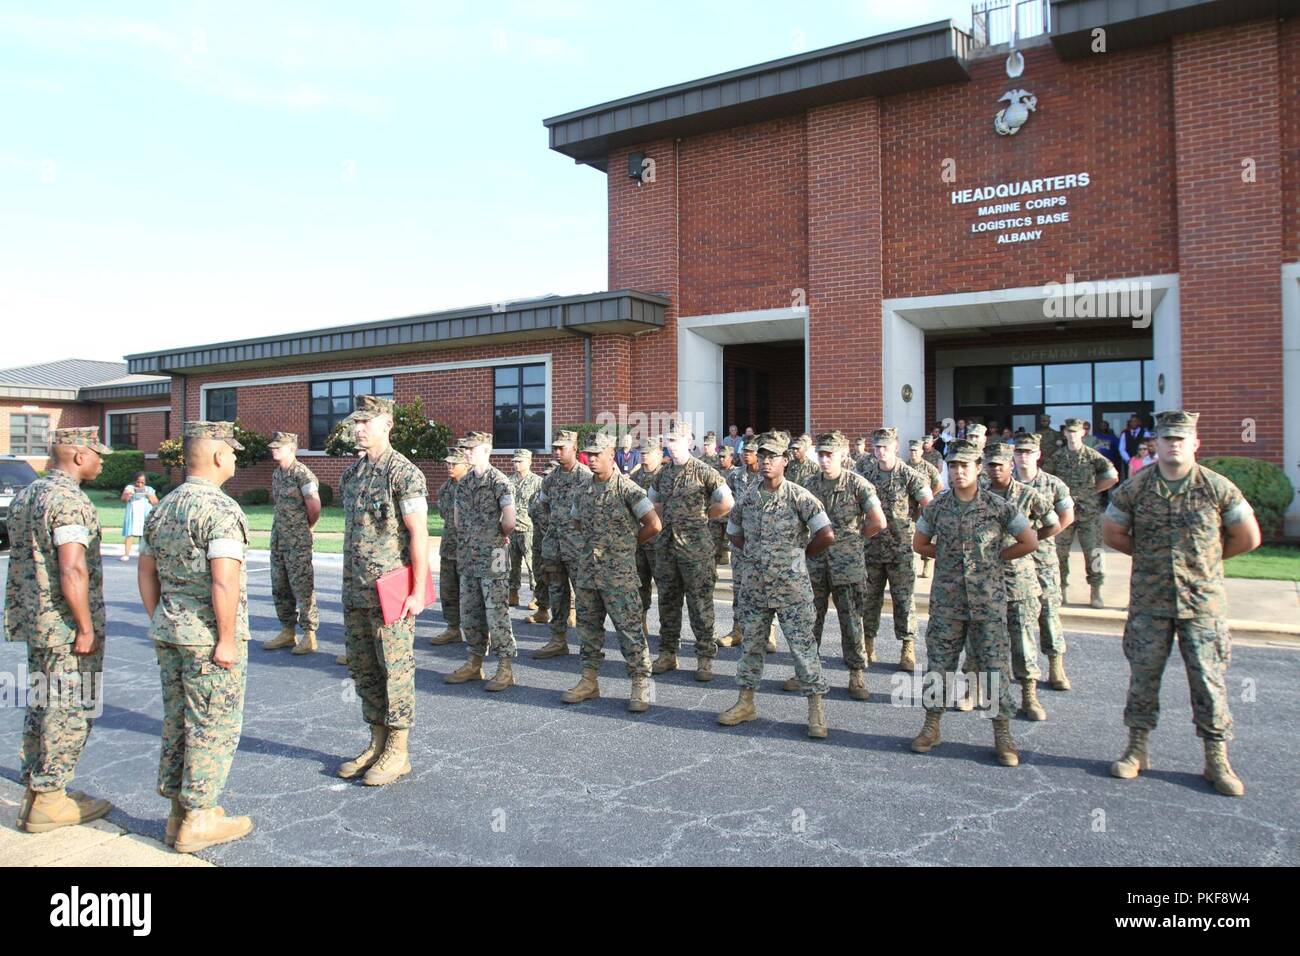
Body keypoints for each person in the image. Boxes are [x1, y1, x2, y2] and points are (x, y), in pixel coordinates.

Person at [1103, 410, 1261, 796]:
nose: (1173, 444)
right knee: (1143, 678)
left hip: (1202, 604)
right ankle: (1136, 749)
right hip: (1150, 602)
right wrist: (1150, 560)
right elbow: (1113, 533)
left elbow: (1248, 537)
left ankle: (1216, 759)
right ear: (1155, 444)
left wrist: (1206, 563)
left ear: (1195, 444)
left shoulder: (1217, 488)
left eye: (1181, 438)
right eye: (1166, 438)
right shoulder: (1135, 488)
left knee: (1209, 682)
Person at [138, 420, 255, 850]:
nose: (237, 459)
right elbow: (225, 581)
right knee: (211, 725)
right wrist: (225, 639)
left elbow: (146, 573)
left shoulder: (163, 506)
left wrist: (161, 620)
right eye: (234, 452)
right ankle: (200, 817)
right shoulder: (219, 510)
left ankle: (178, 812)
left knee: (178, 723)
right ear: (219, 456)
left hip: (171, 633)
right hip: (208, 639)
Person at [6, 427, 114, 834]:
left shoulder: (28, 494)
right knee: (69, 708)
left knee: (41, 703)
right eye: (96, 454)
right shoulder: (68, 500)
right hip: (66, 626)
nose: (101, 461)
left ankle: (39, 790)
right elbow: (72, 566)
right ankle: (50, 799)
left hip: (37, 622)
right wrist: (85, 626)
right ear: (77, 455)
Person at [910, 439, 1038, 767]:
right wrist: (949, 556)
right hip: (947, 602)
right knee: (939, 664)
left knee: (994, 668)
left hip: (988, 603)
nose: (958, 471)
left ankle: (1002, 734)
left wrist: (996, 557)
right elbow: (920, 542)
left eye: (965, 465)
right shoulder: (938, 507)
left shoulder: (997, 506)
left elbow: (1029, 540)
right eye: (953, 465)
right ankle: (931, 726)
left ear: (978, 469)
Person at [335, 397, 429, 787]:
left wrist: (418, 590)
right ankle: (375, 740)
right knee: (364, 667)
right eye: (355, 422)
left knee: (395, 668)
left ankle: (398, 749)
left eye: (366, 422)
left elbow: (418, 533)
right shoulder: (351, 474)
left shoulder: (404, 473)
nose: (358, 428)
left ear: (387, 424)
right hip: (355, 588)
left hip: (390, 590)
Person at [718, 431, 835, 737]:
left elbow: (826, 535)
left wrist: (799, 556)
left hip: (791, 588)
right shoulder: (748, 498)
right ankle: (745, 703)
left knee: (803, 649)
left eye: (773, 457)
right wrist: (757, 556)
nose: (767, 462)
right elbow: (733, 532)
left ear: (785, 461)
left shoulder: (800, 497)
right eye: (763, 456)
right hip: (756, 587)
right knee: (751, 648)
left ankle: (816, 711)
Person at [560, 431, 663, 711]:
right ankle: (589, 680)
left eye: (597, 455)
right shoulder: (582, 490)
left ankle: (642, 685)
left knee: (630, 631)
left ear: (611, 455)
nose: (592, 460)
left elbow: (654, 524)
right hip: (588, 574)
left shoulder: (629, 490)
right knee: (588, 631)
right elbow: (577, 523)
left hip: (619, 575)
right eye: (589, 455)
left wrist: (628, 543)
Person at [800, 431, 885, 700]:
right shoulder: (809, 484)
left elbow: (878, 521)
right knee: (811, 618)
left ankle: (856, 673)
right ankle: (807, 670)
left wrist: (855, 540)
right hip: (816, 563)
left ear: (843, 455)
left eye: (830, 455)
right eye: (821, 454)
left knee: (851, 620)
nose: (824, 460)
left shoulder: (859, 485)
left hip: (847, 564)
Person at [648, 421, 733, 680]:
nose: (671, 445)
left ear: (689, 442)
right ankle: (668, 653)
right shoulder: (661, 475)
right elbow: (652, 503)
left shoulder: (704, 472)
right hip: (667, 550)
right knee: (667, 602)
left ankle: (705, 657)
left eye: (676, 440)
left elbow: (727, 502)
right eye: (668, 440)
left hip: (696, 551)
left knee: (700, 604)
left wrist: (705, 516)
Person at [982, 442, 1061, 721]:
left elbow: (1053, 522)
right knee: (985, 642)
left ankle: (1029, 696)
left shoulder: (1029, 496)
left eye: (999, 465)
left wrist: (1031, 541)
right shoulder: (977, 496)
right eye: (990, 465)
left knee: (1023, 640)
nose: (994, 470)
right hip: (985, 581)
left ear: (1010, 465)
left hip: (1020, 579)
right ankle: (985, 695)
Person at [444, 432, 518, 692]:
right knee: (470, 611)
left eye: (472, 448)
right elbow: (455, 520)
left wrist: (496, 536)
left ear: (487, 450)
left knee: (496, 611)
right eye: (465, 448)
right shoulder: (463, 484)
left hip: (495, 554)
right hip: (468, 556)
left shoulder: (499, 481)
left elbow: (510, 521)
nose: (466, 452)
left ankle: (505, 667)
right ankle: (474, 662)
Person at [856, 428, 933, 669]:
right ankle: (868, 643)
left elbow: (929, 506)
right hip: (871, 549)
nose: (880, 452)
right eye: (877, 447)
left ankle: (907, 647)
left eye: (885, 447)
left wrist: (919, 533)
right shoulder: (865, 473)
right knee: (869, 599)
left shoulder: (909, 476)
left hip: (900, 549)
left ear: (895, 447)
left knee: (904, 600)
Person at [1013, 433, 1076, 691]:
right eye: (1019, 452)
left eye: (1029, 452)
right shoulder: (1004, 483)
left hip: (1042, 559)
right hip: (1013, 562)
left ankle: (1055, 665)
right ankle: (1011, 667)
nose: (1024, 456)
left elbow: (1067, 517)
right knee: (1013, 617)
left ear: (1039, 454)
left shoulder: (1053, 484)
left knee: (1048, 612)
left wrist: (1033, 538)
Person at [1043, 418, 1119, 609]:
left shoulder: (1093, 456)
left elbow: (1112, 476)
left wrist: (1093, 490)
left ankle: (1096, 590)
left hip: (1089, 513)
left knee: (1094, 552)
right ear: (1065, 433)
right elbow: (1046, 479)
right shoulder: (1058, 456)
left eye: (1076, 432)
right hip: (1064, 513)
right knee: (1059, 553)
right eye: (1069, 431)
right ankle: (1061, 589)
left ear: (1083, 433)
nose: (1073, 435)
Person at [261, 433, 321, 655]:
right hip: (278, 540)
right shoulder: (278, 474)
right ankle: (287, 631)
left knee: (302, 587)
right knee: (280, 586)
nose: (273, 449)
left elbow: (314, 506)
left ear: (291, 449)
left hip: (297, 541)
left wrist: (305, 527)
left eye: (279, 446)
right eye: (273, 446)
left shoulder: (302, 474)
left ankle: (309, 635)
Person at [532, 429, 589, 658]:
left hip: (578, 548)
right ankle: (558, 640)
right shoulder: (551, 478)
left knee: (585, 598)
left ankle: (588, 646)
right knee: (557, 594)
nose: (557, 451)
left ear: (574, 448)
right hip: (554, 547)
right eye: (555, 447)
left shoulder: (585, 477)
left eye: (562, 447)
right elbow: (544, 506)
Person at [430, 448, 469, 645]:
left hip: (470, 550)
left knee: (471, 594)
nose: (450, 466)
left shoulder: (474, 485)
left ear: (466, 464)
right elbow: (444, 516)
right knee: (448, 590)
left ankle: (477, 634)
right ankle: (452, 628)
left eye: (455, 463)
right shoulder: (445, 488)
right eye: (448, 463)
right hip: (449, 547)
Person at [632, 435, 665, 635]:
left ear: (659, 455)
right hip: (639, 540)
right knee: (639, 584)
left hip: (660, 541)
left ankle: (667, 628)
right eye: (642, 453)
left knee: (665, 585)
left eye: (648, 453)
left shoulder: (665, 476)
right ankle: (640, 623)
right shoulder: (634, 479)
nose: (644, 456)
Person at [508, 448, 544, 608]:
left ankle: (537, 596)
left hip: (529, 529)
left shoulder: (538, 482)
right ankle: (512, 593)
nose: (516, 464)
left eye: (520, 461)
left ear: (529, 462)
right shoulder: (508, 481)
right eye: (514, 461)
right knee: (511, 564)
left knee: (532, 565)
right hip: (511, 530)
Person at [907, 439, 944, 579]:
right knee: (908, 537)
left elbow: (939, 484)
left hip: (924, 507)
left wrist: (929, 497)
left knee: (926, 534)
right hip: (910, 508)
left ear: (921, 452)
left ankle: (926, 566)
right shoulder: (905, 466)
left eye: (916, 450)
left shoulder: (928, 467)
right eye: (911, 450)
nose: (913, 453)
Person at [119, 471, 158, 562]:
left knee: (143, 534)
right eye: (138, 482)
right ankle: (126, 554)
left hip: (145, 512)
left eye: (142, 482)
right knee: (129, 533)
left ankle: (142, 553)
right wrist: (129, 494)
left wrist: (149, 495)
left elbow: (156, 503)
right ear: (134, 481)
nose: (140, 484)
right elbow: (123, 499)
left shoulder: (149, 489)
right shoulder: (129, 488)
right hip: (133, 512)